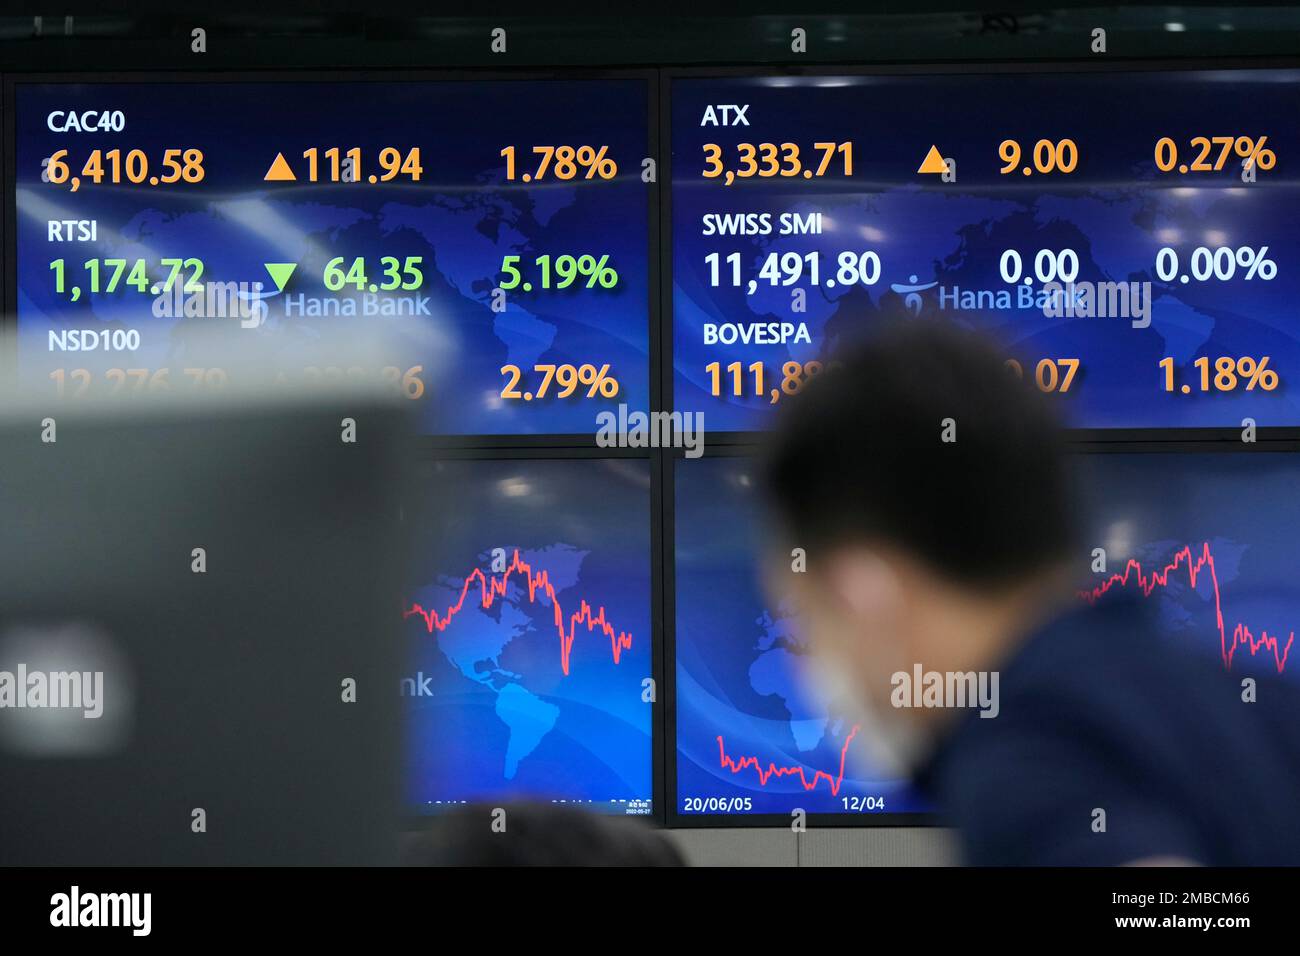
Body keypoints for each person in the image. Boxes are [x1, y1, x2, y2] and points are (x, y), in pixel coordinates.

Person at [761, 320, 1300, 865]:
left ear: (864, 595)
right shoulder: (1258, 707)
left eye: (808, 618)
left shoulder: (1024, 757)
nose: (810, 661)